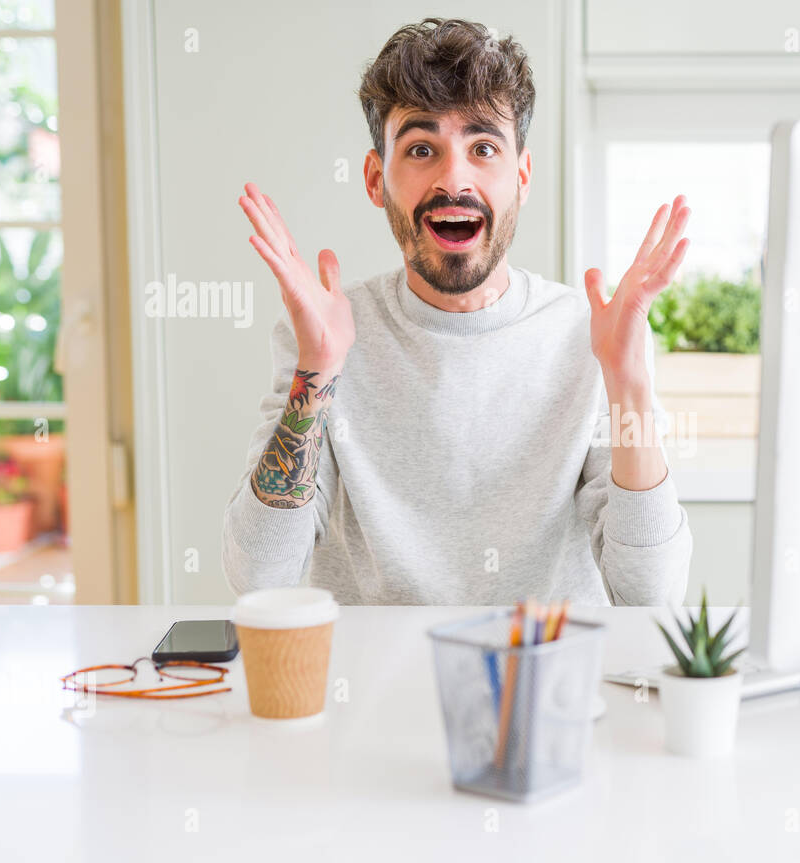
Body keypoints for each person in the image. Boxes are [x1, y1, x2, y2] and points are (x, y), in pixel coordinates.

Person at [222, 17, 693, 605]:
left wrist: (626, 381)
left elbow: (651, 595)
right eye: (422, 149)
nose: (454, 179)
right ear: (376, 179)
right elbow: (258, 576)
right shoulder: (327, 339)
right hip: (373, 690)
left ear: (521, 178)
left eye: (484, 148)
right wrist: (317, 371)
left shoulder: (589, 339)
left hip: (544, 685)